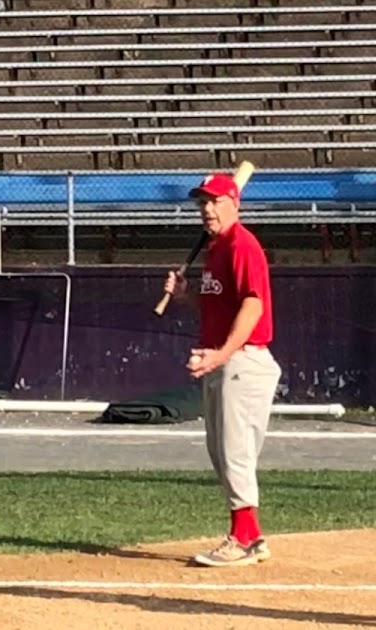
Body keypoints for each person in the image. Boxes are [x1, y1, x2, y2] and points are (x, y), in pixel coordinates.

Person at [162, 172, 282, 568]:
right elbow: (217, 305)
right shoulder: (217, 249)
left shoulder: (242, 246)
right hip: (223, 358)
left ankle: (243, 539)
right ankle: (250, 534)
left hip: (243, 358)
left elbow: (253, 306)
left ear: (235, 203)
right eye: (202, 203)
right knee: (221, 451)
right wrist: (185, 296)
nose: (208, 209)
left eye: (215, 201)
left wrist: (222, 354)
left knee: (235, 451)